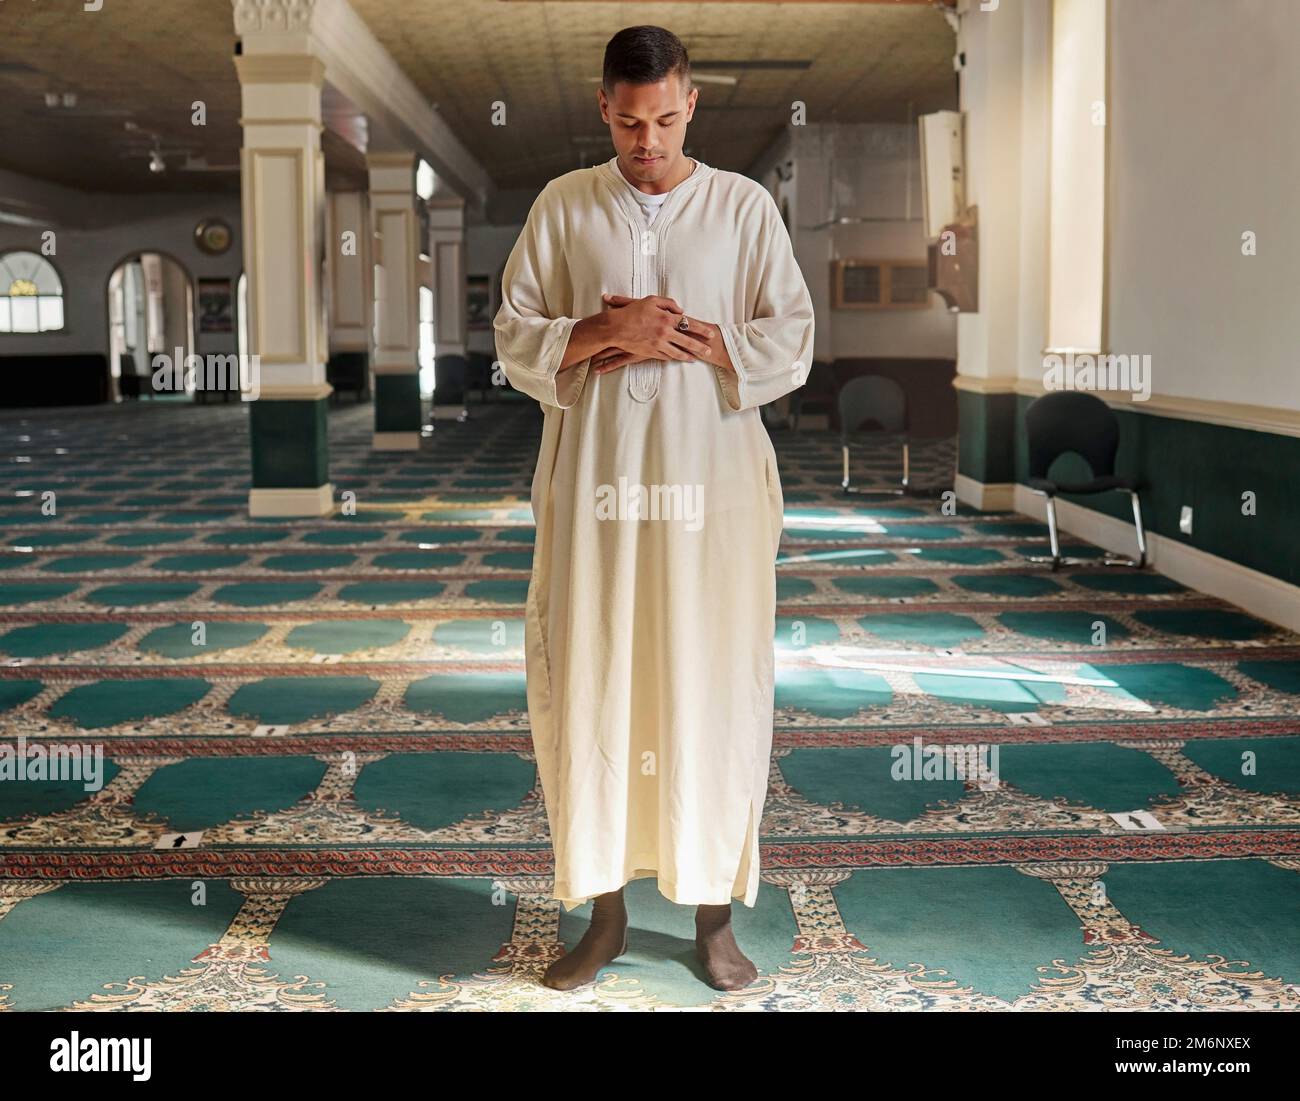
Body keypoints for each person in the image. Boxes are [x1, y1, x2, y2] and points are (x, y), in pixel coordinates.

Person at [492, 24, 814, 992]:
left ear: (691, 104)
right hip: (596, 501)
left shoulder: (743, 207)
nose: (648, 141)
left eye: (666, 119)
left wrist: (706, 344)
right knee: (595, 681)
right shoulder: (562, 207)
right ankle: (605, 914)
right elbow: (513, 336)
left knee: (708, 688)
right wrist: (603, 330)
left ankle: (712, 917)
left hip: (710, 503)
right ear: (603, 108)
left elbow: (789, 339)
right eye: (630, 122)